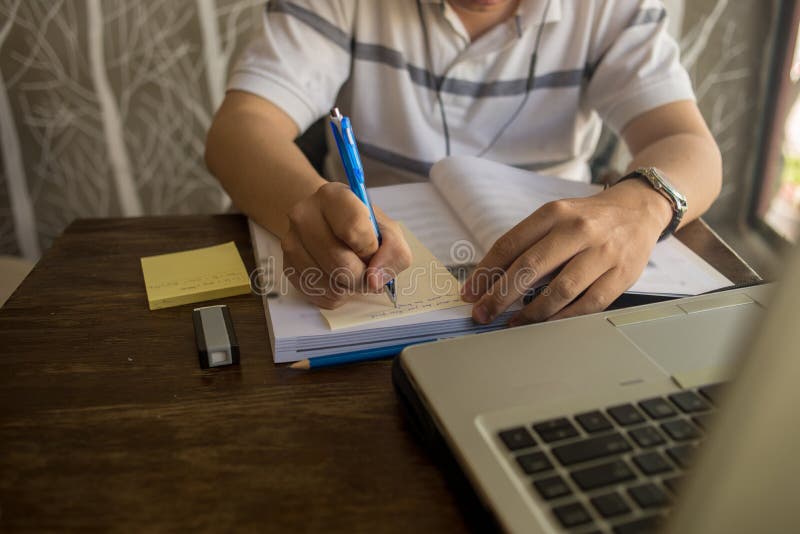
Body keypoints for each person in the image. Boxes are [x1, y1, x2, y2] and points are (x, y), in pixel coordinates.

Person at [205, 0, 722, 325]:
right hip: (381, 287)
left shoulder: (615, 9)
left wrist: (641, 206)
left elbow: (687, 142)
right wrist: (307, 202)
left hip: (554, 308)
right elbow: (239, 130)